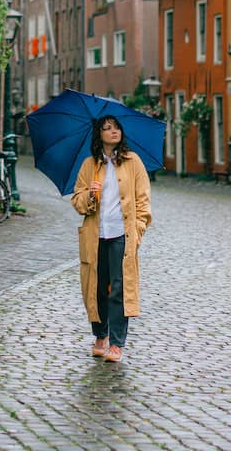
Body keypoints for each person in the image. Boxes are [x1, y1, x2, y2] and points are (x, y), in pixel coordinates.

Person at [71, 115, 151, 363]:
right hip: (96, 236)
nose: (113, 131)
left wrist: (136, 232)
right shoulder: (89, 166)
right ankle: (100, 335)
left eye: (116, 127)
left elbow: (143, 203)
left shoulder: (133, 162)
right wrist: (90, 196)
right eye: (107, 128)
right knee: (96, 287)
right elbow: (77, 201)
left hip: (121, 236)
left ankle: (116, 343)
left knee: (118, 289)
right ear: (99, 135)